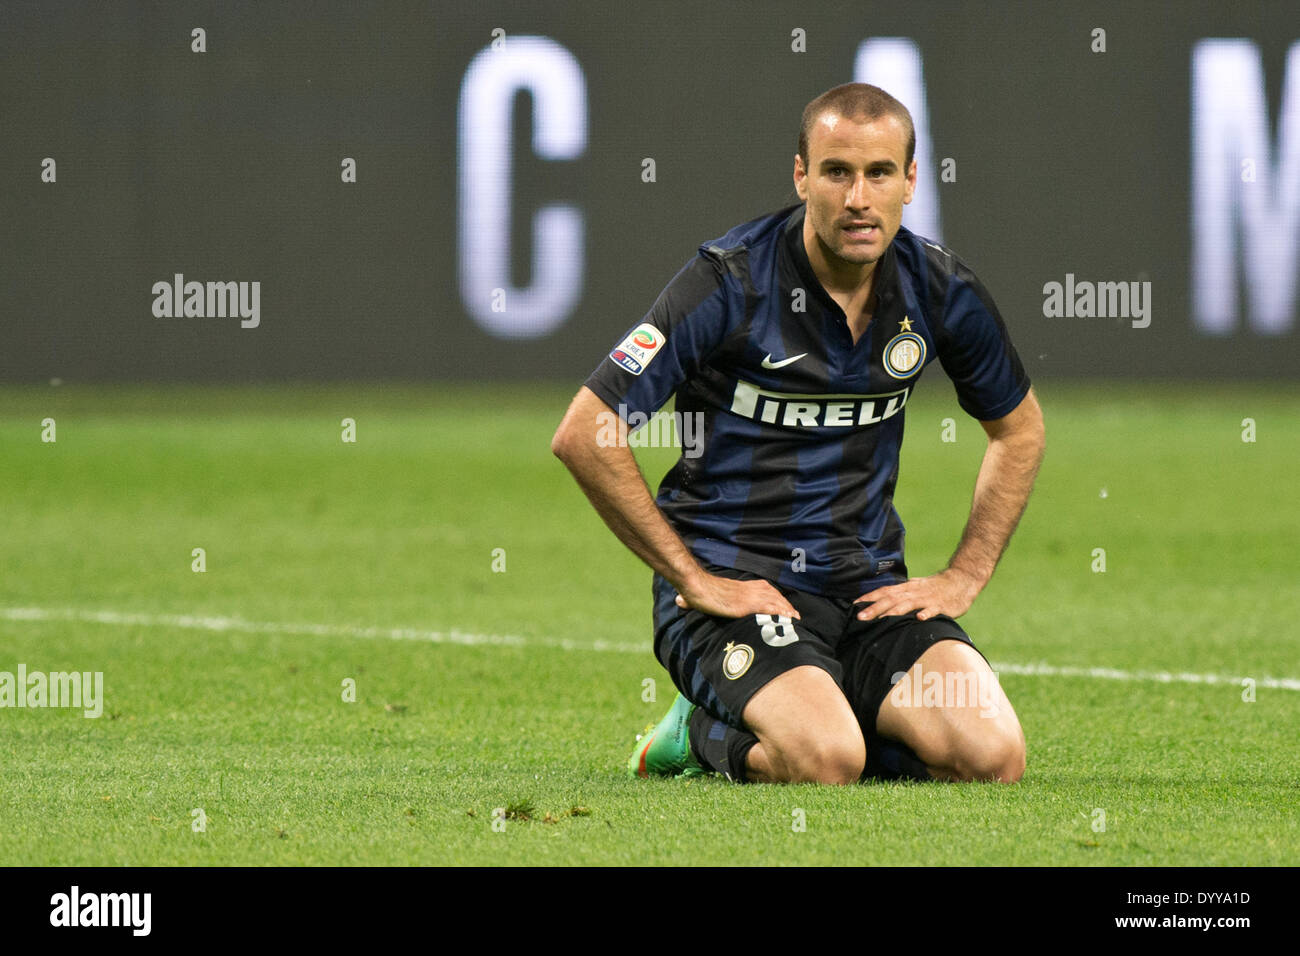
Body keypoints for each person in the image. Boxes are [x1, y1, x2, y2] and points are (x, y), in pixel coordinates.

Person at [551, 82, 1045, 784]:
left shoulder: (939, 291)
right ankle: (696, 733)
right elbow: (585, 430)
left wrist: (966, 574)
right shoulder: (730, 283)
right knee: (826, 761)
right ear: (801, 176)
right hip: (735, 591)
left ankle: (825, 706)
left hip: (870, 591)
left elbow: (1019, 431)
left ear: (910, 181)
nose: (857, 199)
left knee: (993, 758)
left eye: (879, 174)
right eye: (837, 172)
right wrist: (692, 577)